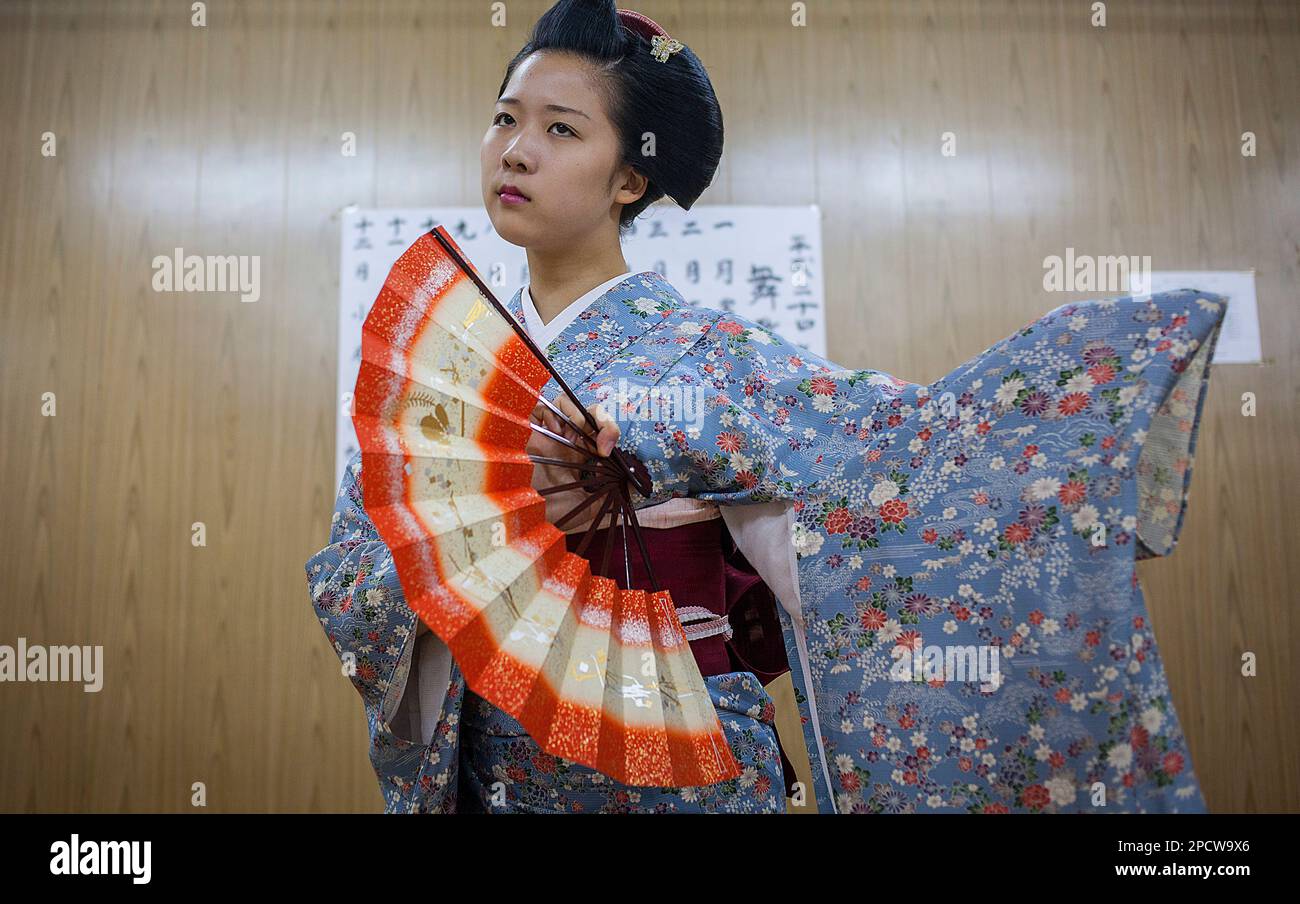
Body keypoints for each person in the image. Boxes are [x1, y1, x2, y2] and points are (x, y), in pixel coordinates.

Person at [307, 0, 1228, 814]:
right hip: (484, 770)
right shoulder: (450, 369)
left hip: (669, 766)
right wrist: (502, 526)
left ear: (632, 178)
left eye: (560, 130)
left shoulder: (713, 361)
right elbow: (350, 575)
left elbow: (897, 475)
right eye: (504, 118)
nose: (514, 148)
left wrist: (1060, 459)